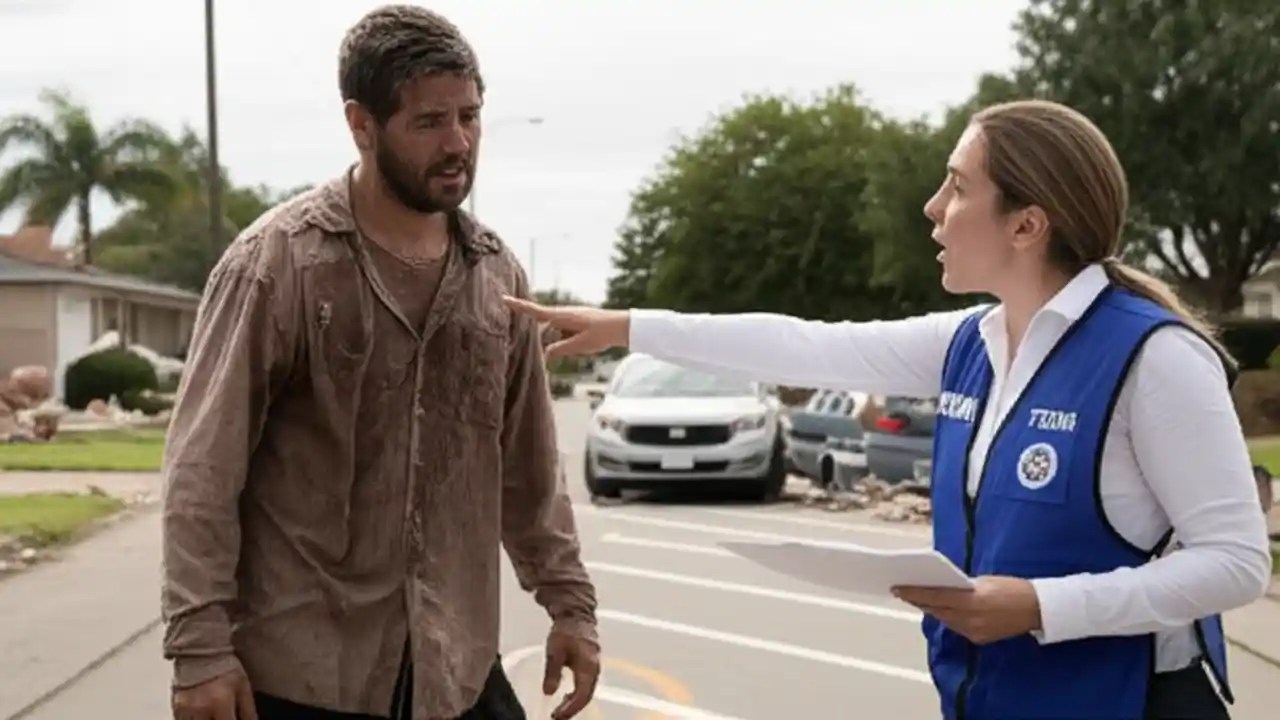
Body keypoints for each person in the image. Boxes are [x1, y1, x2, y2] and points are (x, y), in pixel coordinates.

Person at [504, 99, 1273, 719]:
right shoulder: (971, 341)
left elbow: (1237, 562)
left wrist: (1042, 606)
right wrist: (627, 327)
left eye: (958, 186)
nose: (934, 208)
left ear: (1027, 225)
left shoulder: (1156, 359)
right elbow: (800, 347)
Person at [161, 6, 600, 720]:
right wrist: (200, 650)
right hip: (305, 675)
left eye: (470, 116)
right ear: (362, 125)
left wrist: (570, 607)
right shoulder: (279, 266)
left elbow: (528, 468)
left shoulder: (498, 278)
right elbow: (202, 472)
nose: (458, 142)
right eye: (429, 122)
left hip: (453, 667)